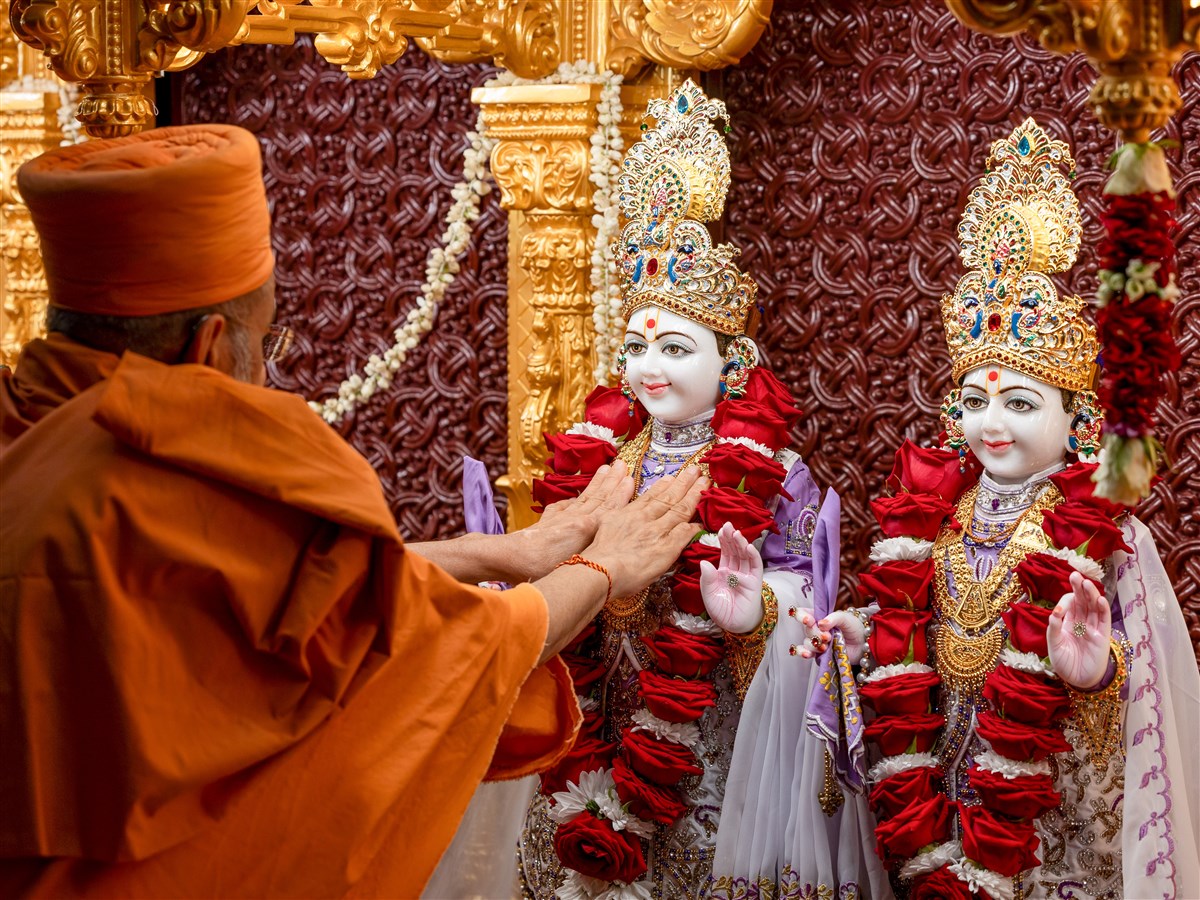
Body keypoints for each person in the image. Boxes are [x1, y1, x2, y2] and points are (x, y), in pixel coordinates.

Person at [0, 123, 707, 898]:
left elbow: (279, 598)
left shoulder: (34, 439)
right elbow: (426, 655)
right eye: (264, 340)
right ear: (209, 347)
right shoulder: (197, 456)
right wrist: (603, 567)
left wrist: (488, 554)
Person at [516, 81, 889, 900]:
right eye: (639, 344)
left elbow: (816, 608)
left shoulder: (772, 472)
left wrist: (756, 609)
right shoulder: (601, 462)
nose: (651, 367)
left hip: (709, 741)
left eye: (678, 348)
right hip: (593, 730)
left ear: (734, 363)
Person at [841, 120, 1200, 900]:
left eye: (1019, 401)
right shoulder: (931, 524)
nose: (991, 423)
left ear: (1079, 421)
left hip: (1049, 827)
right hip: (929, 811)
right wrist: (857, 640)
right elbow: (911, 654)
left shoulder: (1109, 539)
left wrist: (1097, 671)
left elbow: (1148, 720)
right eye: (974, 401)